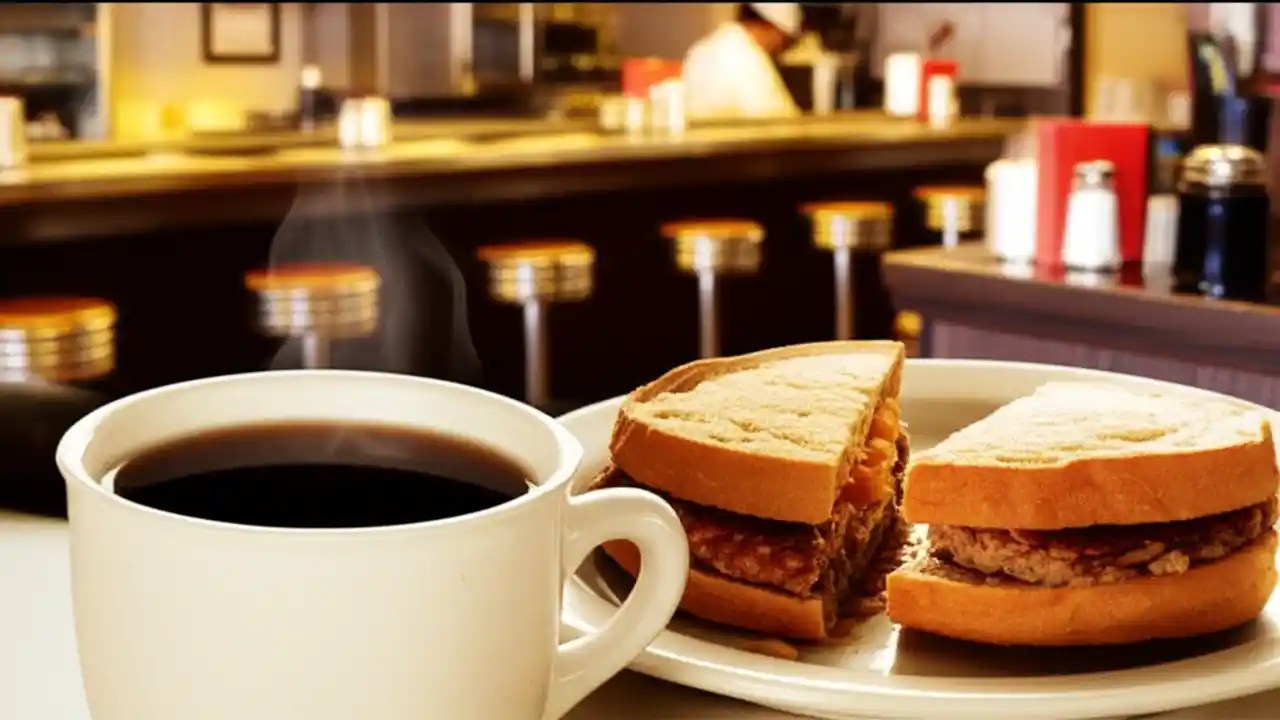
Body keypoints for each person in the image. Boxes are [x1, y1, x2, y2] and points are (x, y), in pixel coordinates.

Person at [682, 3, 803, 121]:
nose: (782, 50)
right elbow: (777, 123)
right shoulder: (747, 59)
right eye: (785, 41)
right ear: (771, 28)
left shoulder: (704, 47)